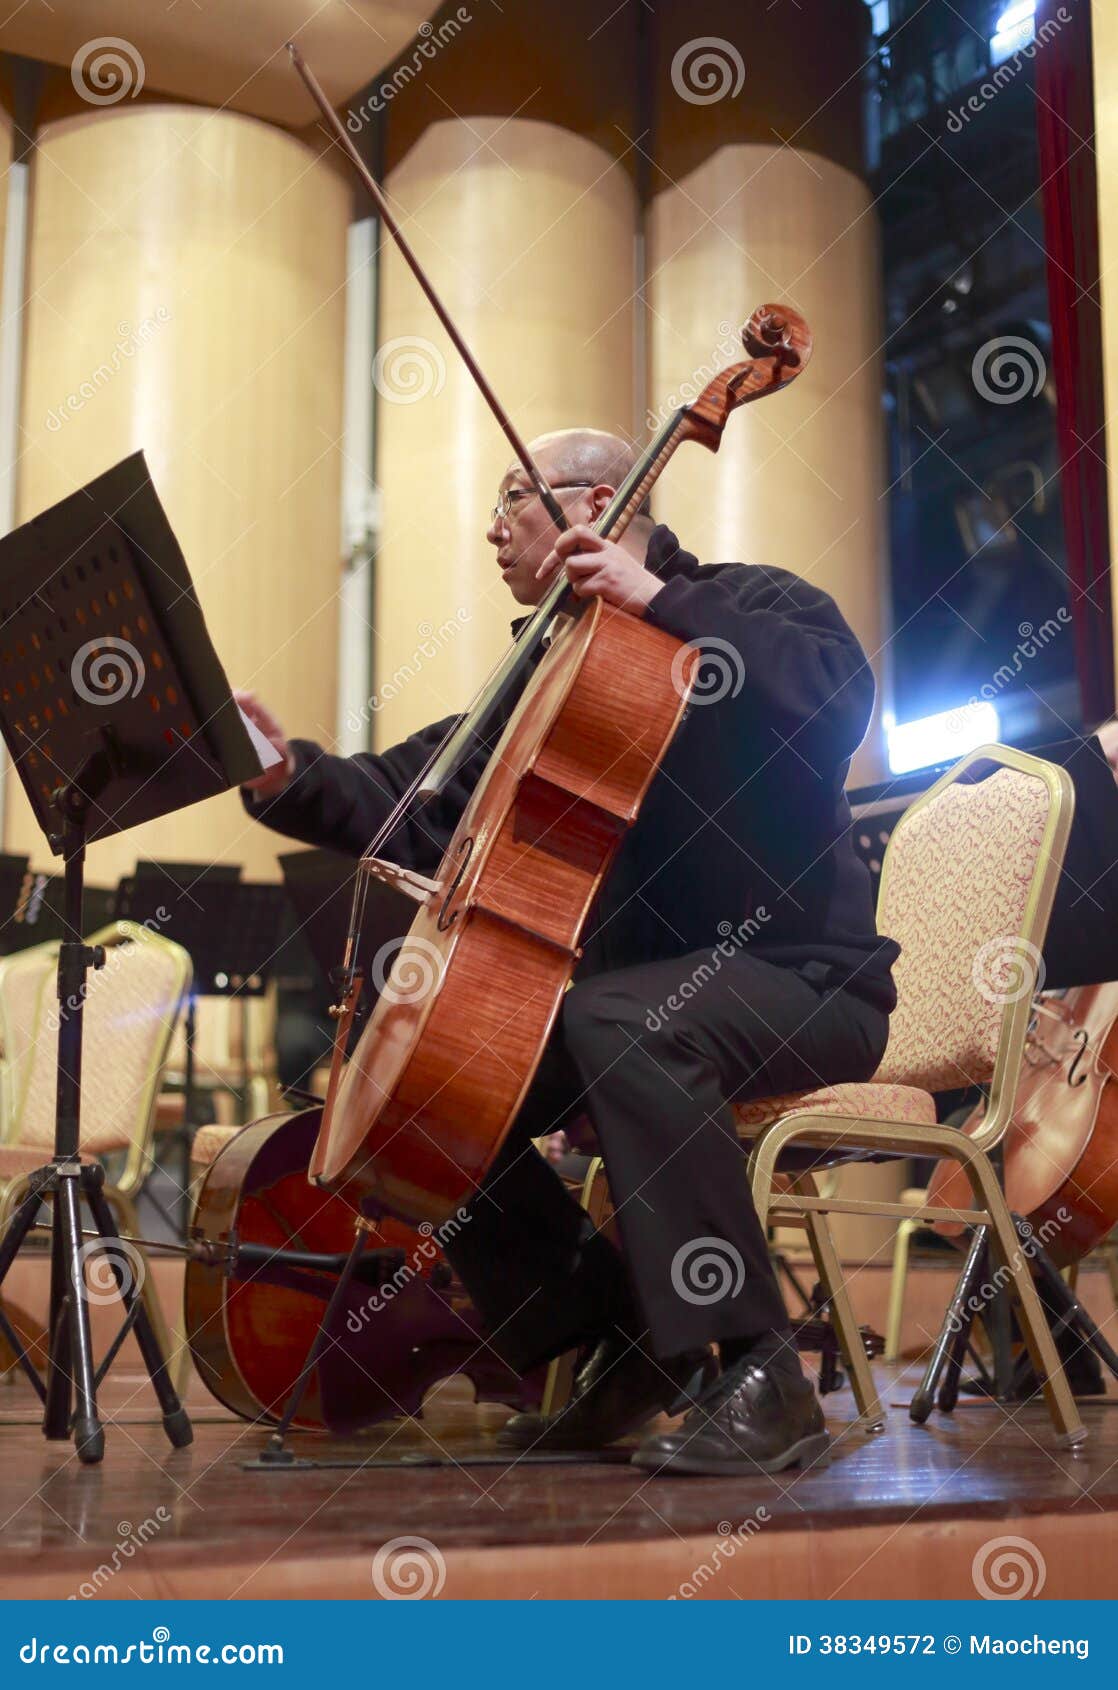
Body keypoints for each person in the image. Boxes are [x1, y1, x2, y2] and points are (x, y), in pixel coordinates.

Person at [238, 428, 899, 1476]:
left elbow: (831, 702)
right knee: (417, 1069)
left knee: (616, 1017)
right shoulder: (550, 665)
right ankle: (613, 1325)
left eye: (515, 495)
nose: (491, 524)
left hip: (803, 981)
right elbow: (417, 803)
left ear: (597, 503)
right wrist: (285, 775)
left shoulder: (747, 602)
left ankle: (763, 1368)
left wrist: (657, 600)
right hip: (636, 1004)